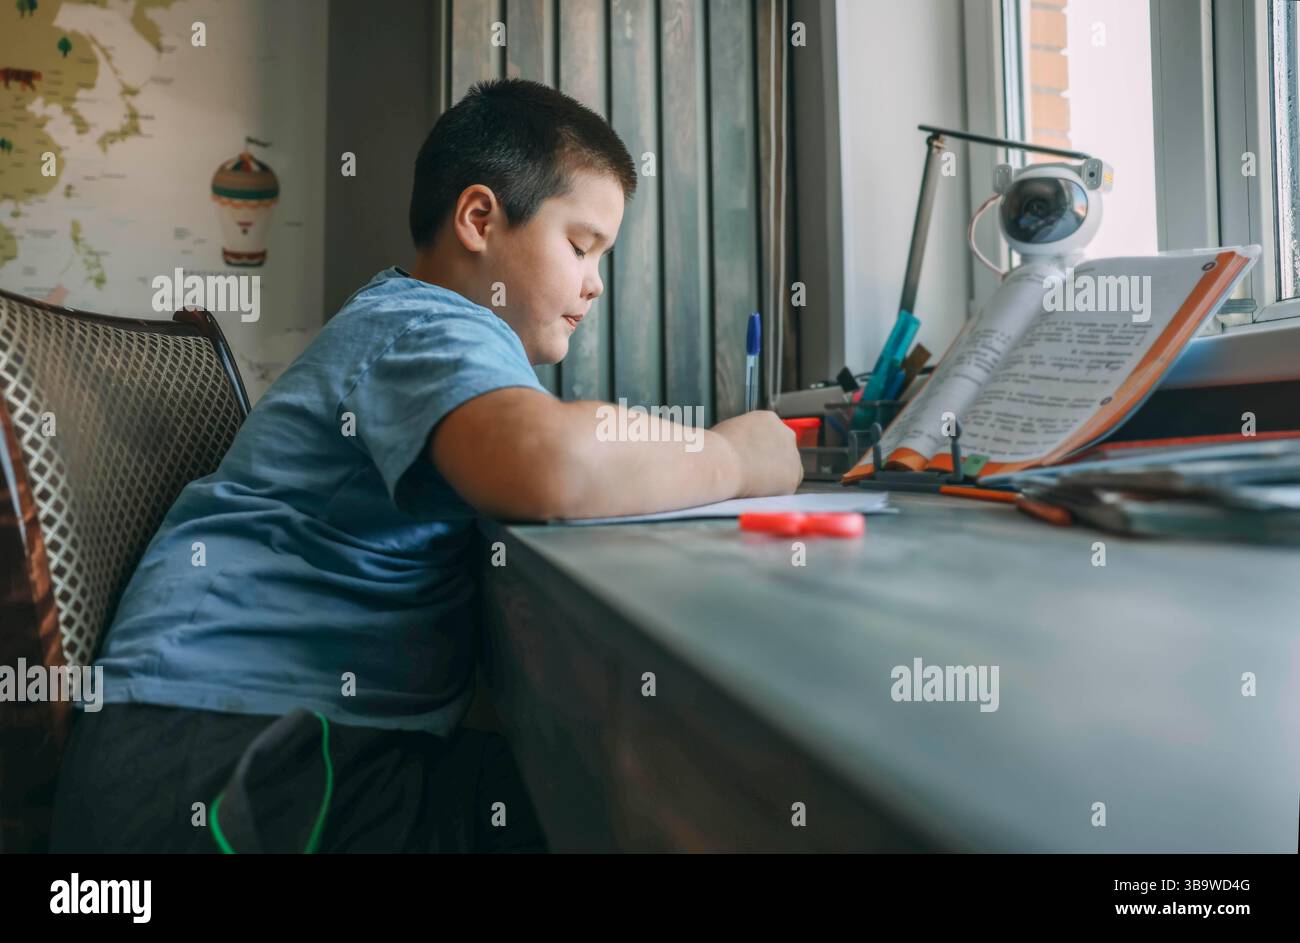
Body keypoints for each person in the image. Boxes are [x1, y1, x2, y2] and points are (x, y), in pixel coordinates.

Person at [50, 78, 802, 853]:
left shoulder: (418, 326)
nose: (595, 281)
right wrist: (735, 454)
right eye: (581, 246)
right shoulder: (426, 326)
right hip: (216, 760)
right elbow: (549, 463)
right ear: (479, 218)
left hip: (260, 738)